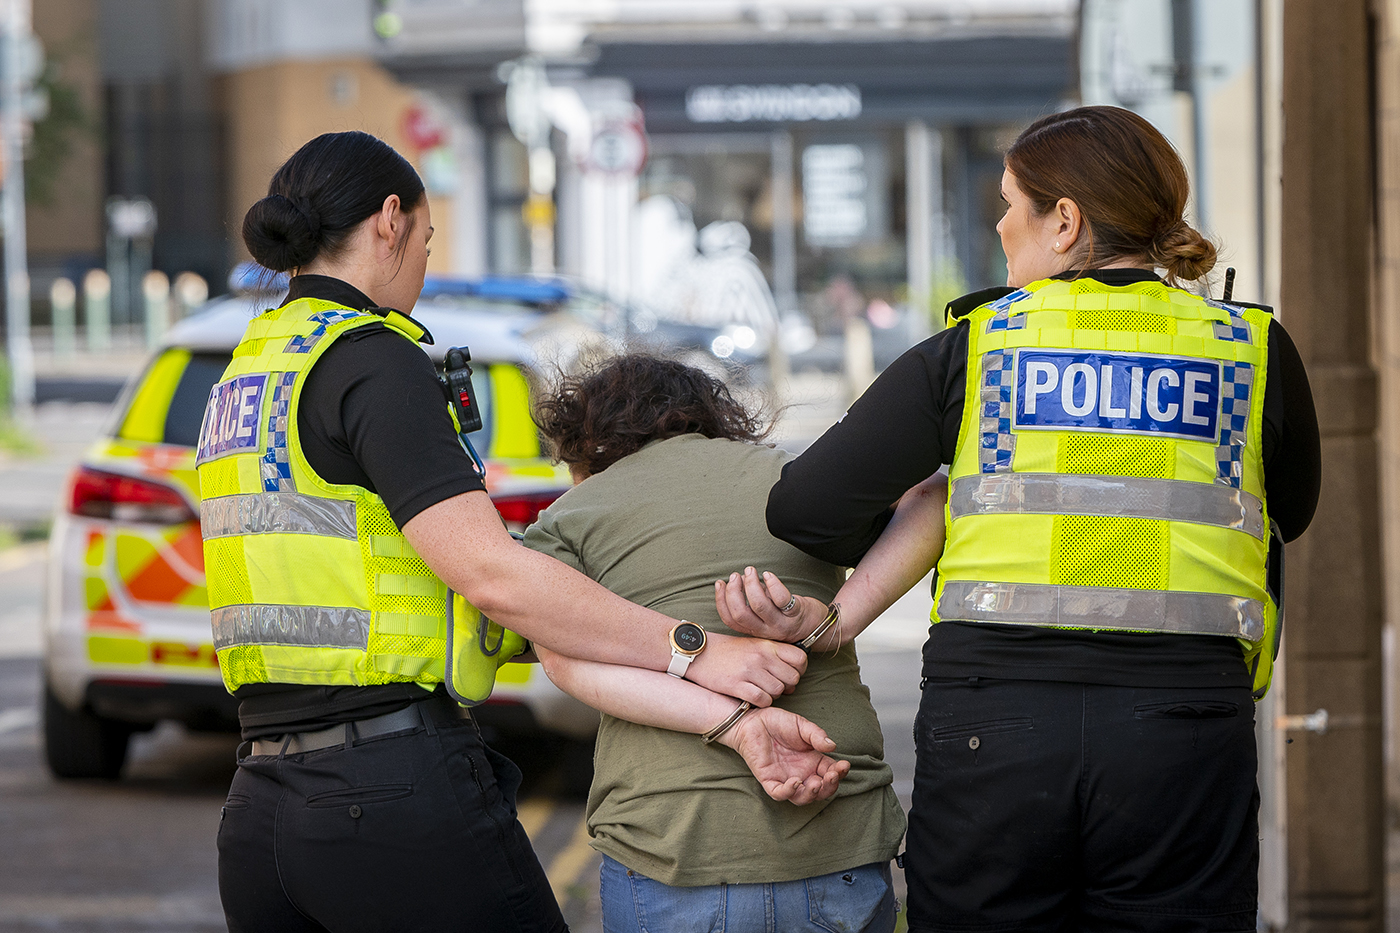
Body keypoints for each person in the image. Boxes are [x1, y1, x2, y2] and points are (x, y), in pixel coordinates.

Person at [197, 131, 811, 933]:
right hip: (386, 795)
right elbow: (491, 575)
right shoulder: (371, 361)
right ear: (389, 220)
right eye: (425, 235)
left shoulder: (249, 370)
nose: (422, 258)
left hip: (260, 811)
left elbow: (363, 575)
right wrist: (697, 649)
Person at [745, 106, 1322, 933]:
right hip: (1184, 731)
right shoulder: (1251, 349)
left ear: (1065, 222)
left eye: (1012, 201)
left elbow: (805, 508)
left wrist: (939, 503)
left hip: (996, 726)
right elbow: (1287, 515)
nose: (998, 221)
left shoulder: (978, 348)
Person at [519, 354, 947, 933]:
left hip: (674, 841)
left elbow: (560, 653)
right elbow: (933, 494)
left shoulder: (571, 513)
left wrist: (727, 718)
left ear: (587, 445)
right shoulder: (802, 479)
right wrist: (836, 621)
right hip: (841, 830)